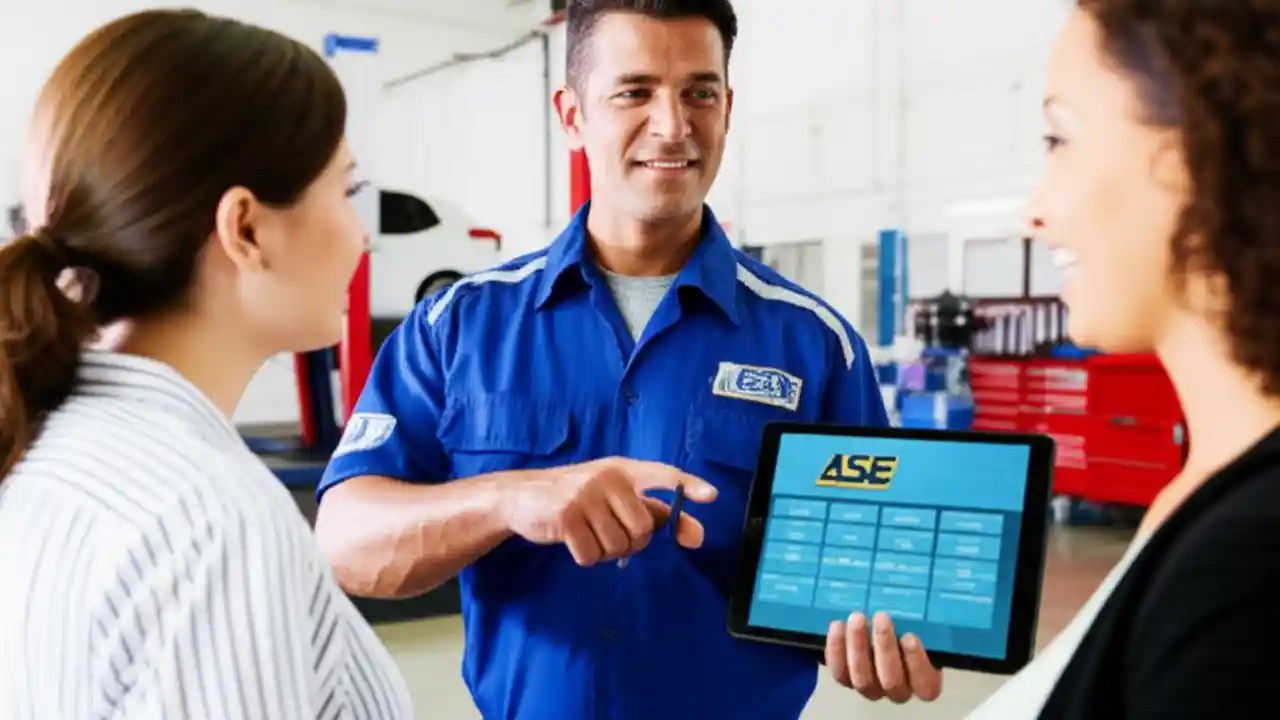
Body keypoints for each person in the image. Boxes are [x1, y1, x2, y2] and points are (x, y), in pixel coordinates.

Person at [315, 0, 940, 717]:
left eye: (700, 93)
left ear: (728, 109)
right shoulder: (457, 327)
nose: (673, 125)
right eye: (635, 92)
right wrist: (510, 498)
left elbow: (878, 577)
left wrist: (888, 636)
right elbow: (347, 545)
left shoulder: (816, 346)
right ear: (572, 115)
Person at [0, 10, 412, 719]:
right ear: (246, 228)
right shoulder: (211, 520)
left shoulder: (42, 449)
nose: (361, 236)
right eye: (345, 192)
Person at [945, 0, 1280, 716]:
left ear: (1198, 156)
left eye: (1058, 140)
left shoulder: (1249, 573)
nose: (1035, 211)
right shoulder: (1206, 503)